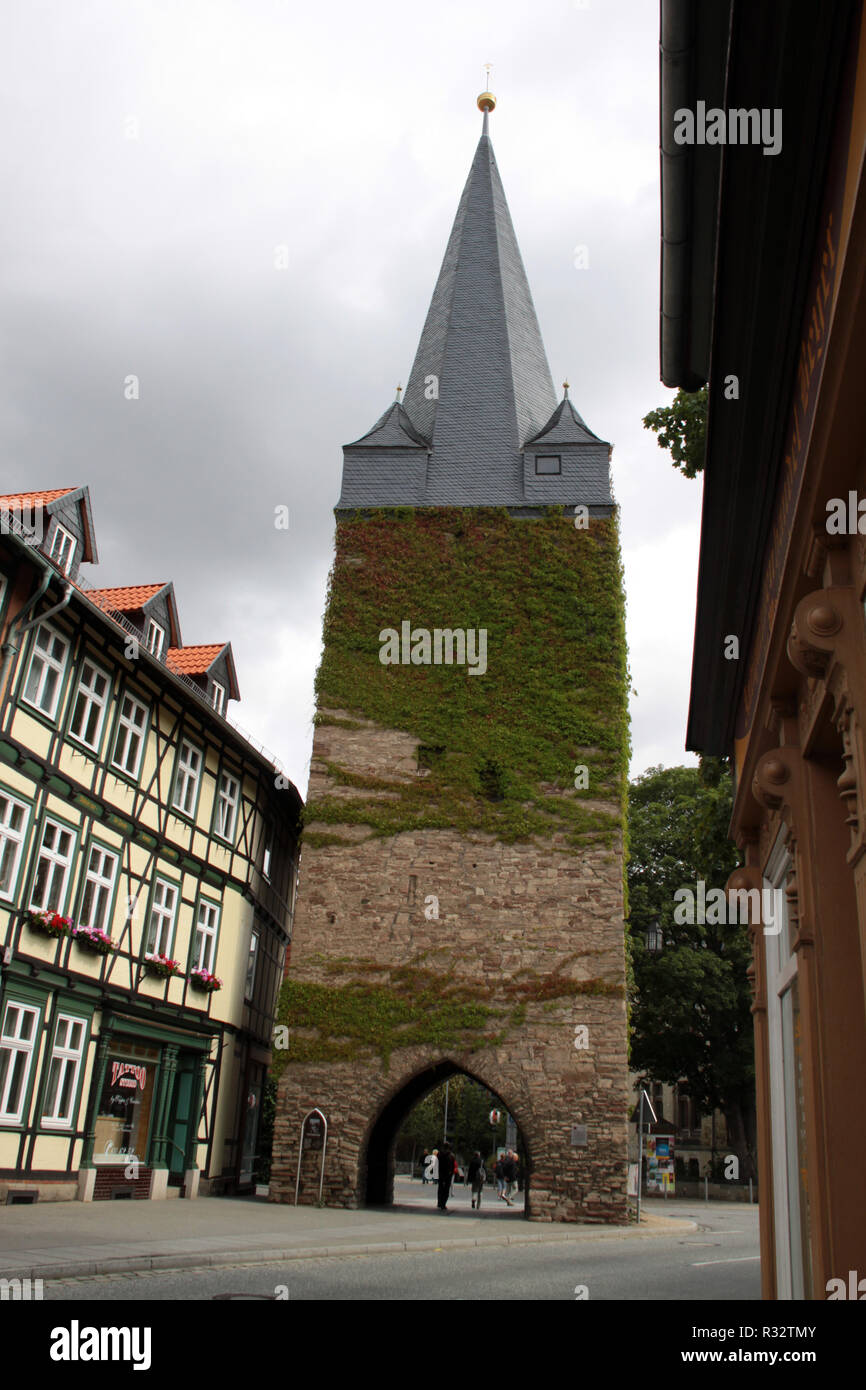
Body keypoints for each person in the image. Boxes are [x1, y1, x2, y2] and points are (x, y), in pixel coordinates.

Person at [437, 1143, 456, 1211]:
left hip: (440, 1173)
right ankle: (443, 1204)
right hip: (448, 1174)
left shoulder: (439, 1154)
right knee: (446, 1189)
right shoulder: (452, 1156)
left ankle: (439, 1202)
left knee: (440, 1188)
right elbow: (453, 1166)